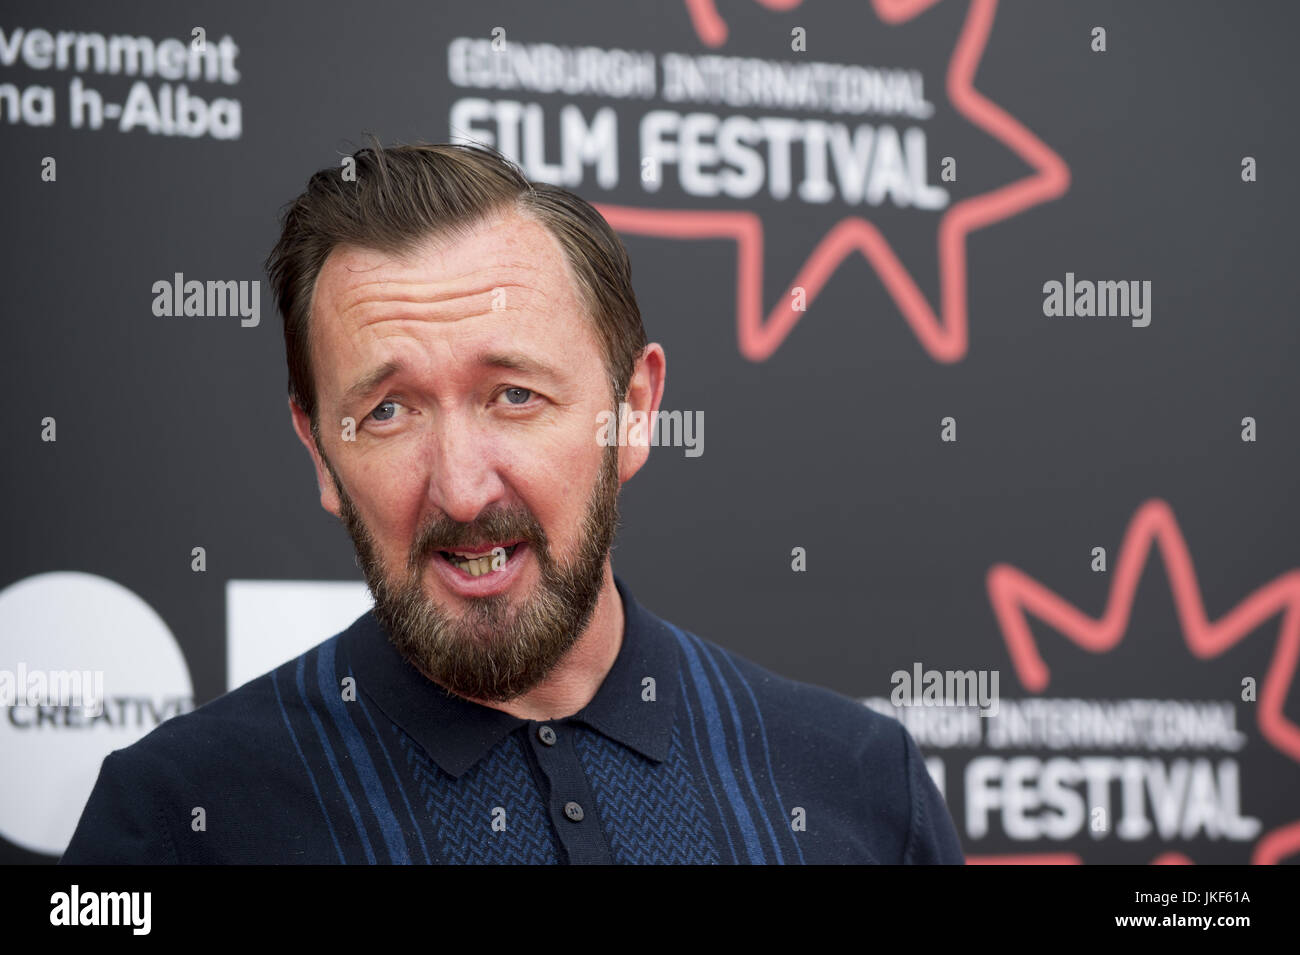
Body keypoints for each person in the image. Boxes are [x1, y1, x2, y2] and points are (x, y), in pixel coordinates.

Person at [60, 141, 964, 864]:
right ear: (321, 452)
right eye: (388, 411)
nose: (461, 485)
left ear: (635, 411)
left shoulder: (858, 781)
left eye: (514, 395)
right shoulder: (178, 819)